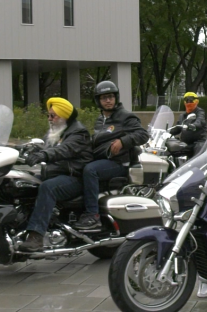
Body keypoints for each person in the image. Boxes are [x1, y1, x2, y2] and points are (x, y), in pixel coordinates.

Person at [19, 98, 93, 252]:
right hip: (56, 174)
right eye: (48, 115)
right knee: (21, 182)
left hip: (74, 177)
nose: (50, 119)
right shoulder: (55, 131)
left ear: (64, 116)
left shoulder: (79, 133)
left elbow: (64, 150)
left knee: (48, 188)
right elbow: (45, 147)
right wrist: (25, 150)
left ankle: (36, 236)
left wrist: (43, 155)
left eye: (53, 116)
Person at [81, 81, 150, 230]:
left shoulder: (125, 116)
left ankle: (92, 216)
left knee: (90, 170)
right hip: (103, 160)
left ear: (116, 98)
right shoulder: (101, 120)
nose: (108, 100)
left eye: (111, 97)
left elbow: (143, 134)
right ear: (98, 101)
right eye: (104, 97)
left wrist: (123, 141)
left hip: (119, 162)